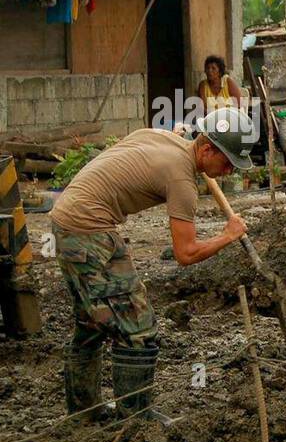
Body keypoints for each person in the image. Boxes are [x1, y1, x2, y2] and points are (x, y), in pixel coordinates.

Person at [52, 109, 253, 422]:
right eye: (227, 163)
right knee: (138, 327)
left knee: (91, 323)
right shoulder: (181, 181)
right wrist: (228, 236)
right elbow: (185, 254)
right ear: (206, 148)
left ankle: (85, 415)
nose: (228, 172)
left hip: (70, 218)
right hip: (88, 230)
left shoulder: (165, 139)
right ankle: (136, 420)